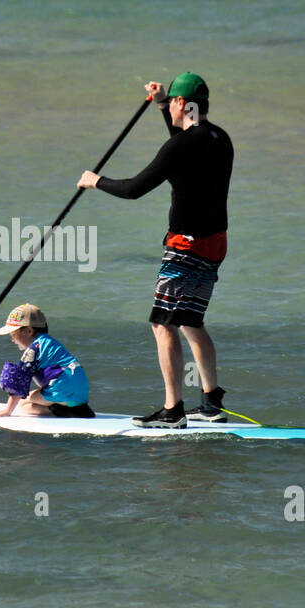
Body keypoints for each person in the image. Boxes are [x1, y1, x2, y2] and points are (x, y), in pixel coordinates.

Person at [76, 73, 233, 428]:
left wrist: (95, 181)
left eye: (172, 104)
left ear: (182, 104)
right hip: (215, 244)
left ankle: (172, 410)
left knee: (163, 324)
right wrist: (163, 104)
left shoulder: (181, 147)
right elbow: (183, 142)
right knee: (191, 321)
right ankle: (211, 403)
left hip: (185, 247)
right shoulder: (219, 138)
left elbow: (134, 189)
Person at [0, 303, 95, 418]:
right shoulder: (50, 343)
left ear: (29, 331)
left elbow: (18, 384)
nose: (12, 339)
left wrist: (7, 411)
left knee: (23, 403)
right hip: (81, 391)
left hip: (62, 391)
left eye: (13, 334)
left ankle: (60, 411)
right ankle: (75, 407)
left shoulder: (33, 350)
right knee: (41, 391)